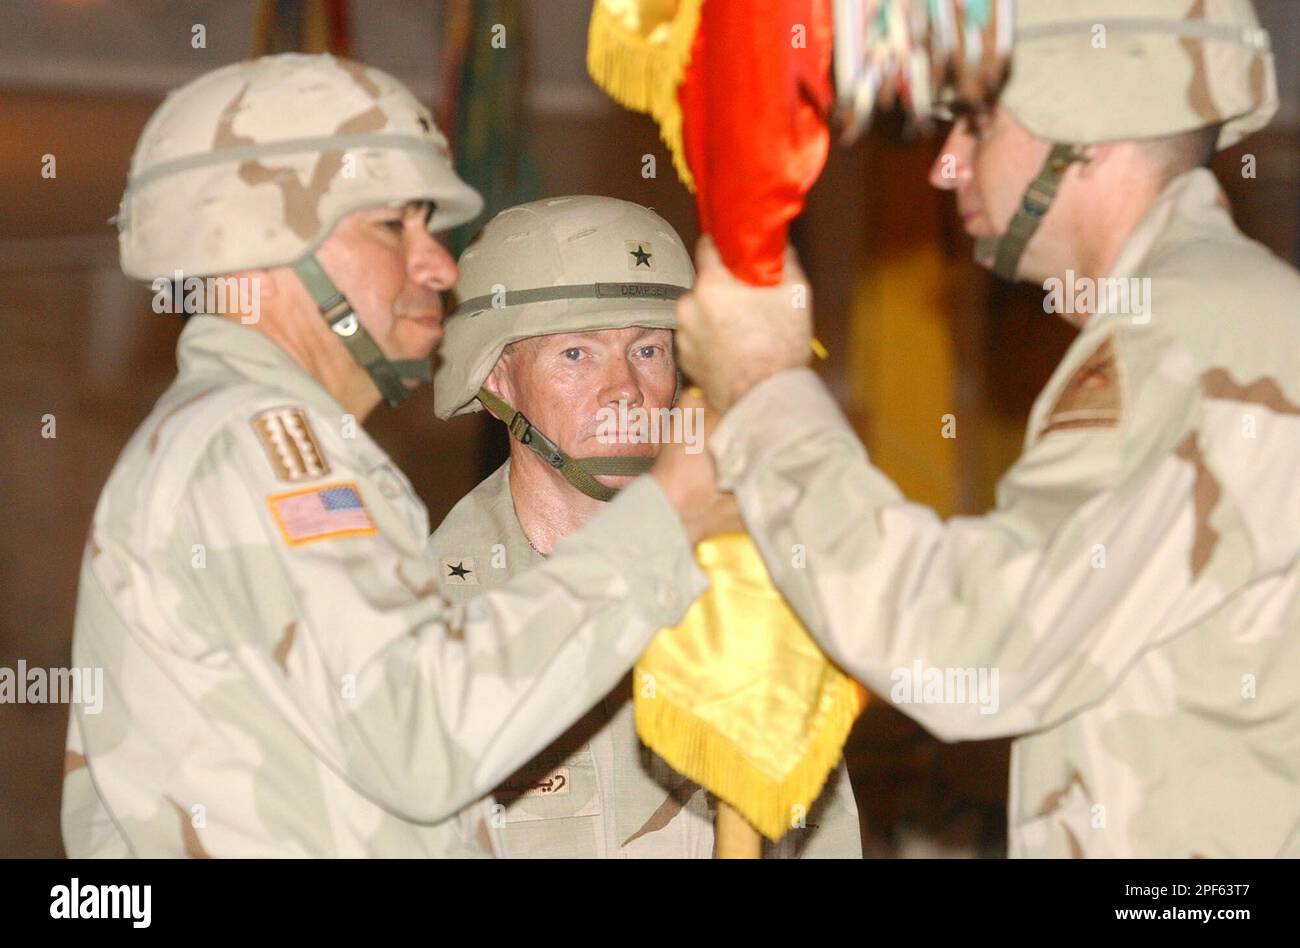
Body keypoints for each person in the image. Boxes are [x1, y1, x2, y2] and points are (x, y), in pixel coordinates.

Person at [669, 0, 1300, 856]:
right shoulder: (1207, 319)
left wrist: (762, 387)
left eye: (976, 121)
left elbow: (967, 650)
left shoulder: (1192, 338)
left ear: (1090, 129)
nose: (946, 165)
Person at [63, 54, 728, 857]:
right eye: (392, 227)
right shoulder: (258, 443)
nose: (438, 266)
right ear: (262, 253)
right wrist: (667, 525)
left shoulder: (252, 439)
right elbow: (423, 736)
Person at [429, 196, 862, 857]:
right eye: (577, 354)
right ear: (498, 380)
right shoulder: (430, 619)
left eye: (649, 350)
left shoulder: (748, 595)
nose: (624, 389)